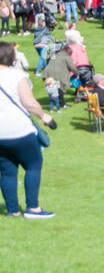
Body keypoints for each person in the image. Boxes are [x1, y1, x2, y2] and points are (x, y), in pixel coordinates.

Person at [0, 42, 55, 218]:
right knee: (33, 165)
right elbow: (30, 103)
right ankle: (33, 207)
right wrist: (44, 117)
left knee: (7, 171)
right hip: (19, 130)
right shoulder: (17, 76)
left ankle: (12, 210)